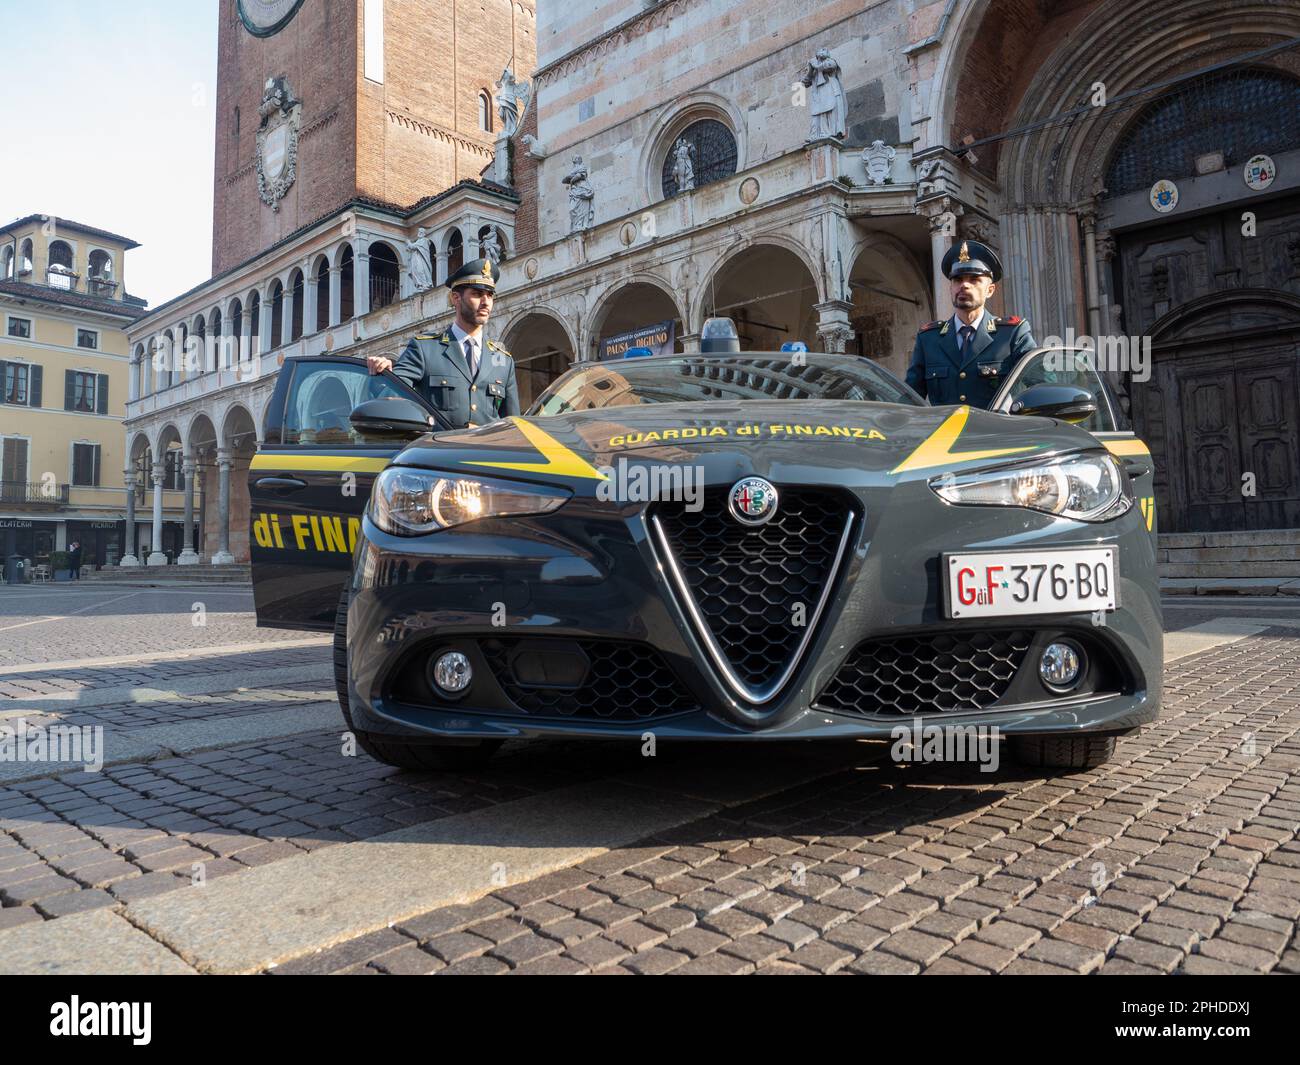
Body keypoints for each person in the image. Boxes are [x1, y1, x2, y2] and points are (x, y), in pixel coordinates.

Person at [367, 258, 519, 428]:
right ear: (456, 298)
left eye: (490, 295)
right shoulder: (425, 349)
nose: (486, 302)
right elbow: (389, 398)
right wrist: (383, 374)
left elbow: (513, 425)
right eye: (476, 294)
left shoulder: (503, 360)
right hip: (440, 451)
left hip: (486, 453)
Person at [906, 240, 1036, 408]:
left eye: (974, 280)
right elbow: (909, 398)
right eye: (957, 280)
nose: (964, 285)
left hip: (995, 432)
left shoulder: (1012, 334)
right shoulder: (929, 339)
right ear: (950, 288)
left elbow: (1040, 385)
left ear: (990, 290)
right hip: (946, 433)